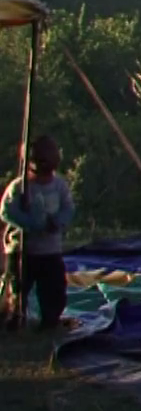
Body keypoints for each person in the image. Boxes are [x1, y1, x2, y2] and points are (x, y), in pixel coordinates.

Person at [3, 136, 75, 331]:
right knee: (19, 287)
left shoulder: (59, 186)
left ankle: (50, 319)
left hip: (49, 250)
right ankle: (15, 316)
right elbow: (6, 211)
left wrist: (57, 222)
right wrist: (27, 223)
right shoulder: (21, 186)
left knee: (53, 289)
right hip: (23, 249)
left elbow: (68, 208)